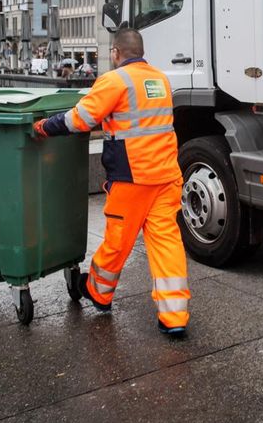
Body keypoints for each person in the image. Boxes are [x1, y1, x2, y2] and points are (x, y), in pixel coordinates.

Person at [33, 28, 189, 335]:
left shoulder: (115, 80)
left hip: (132, 178)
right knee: (167, 243)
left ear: (116, 53)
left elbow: (80, 120)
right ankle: (175, 318)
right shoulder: (159, 79)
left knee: (118, 240)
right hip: (167, 176)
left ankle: (98, 292)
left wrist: (43, 127)